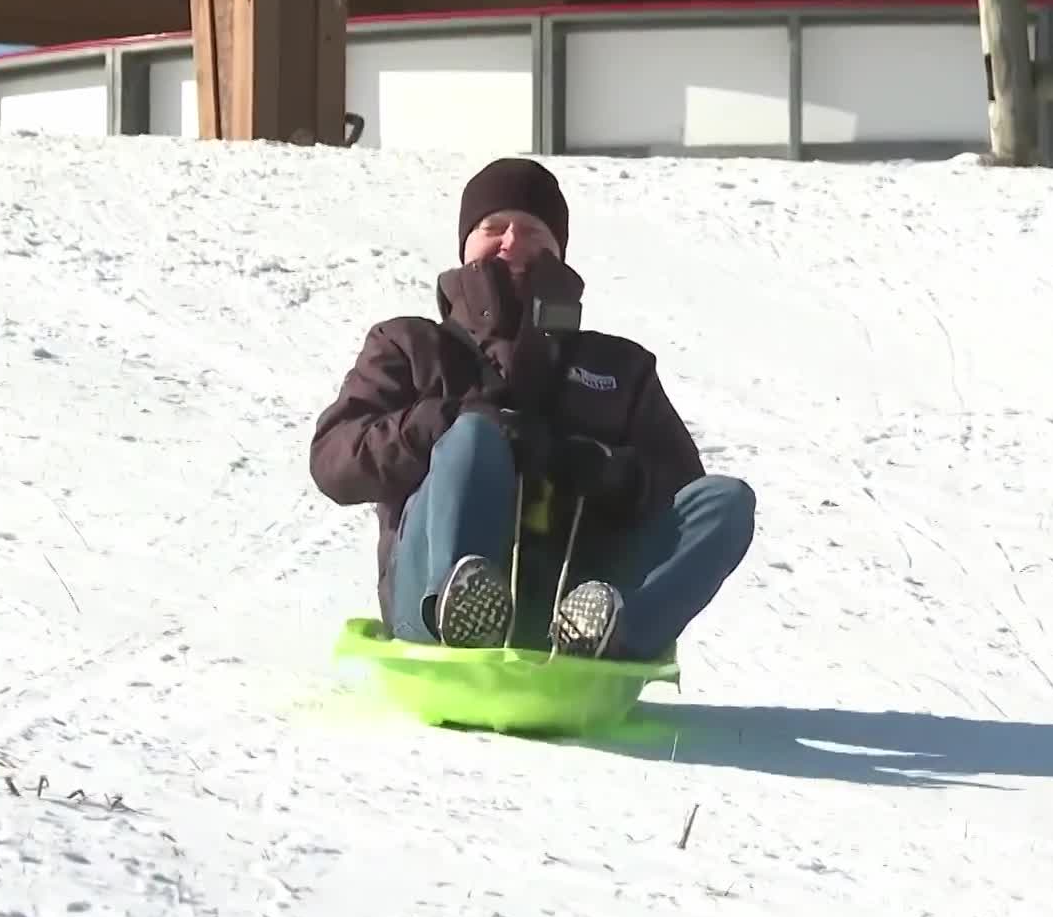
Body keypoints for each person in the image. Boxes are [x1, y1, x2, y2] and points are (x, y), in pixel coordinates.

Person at [308, 157, 756, 661]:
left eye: (534, 232)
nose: (512, 244)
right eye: (493, 227)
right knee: (473, 437)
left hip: (577, 603)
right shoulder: (410, 345)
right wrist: (442, 425)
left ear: (559, 253)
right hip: (428, 602)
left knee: (728, 501)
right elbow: (334, 460)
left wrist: (611, 474)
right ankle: (464, 607)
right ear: (465, 246)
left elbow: (681, 490)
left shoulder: (618, 367)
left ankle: (611, 632)